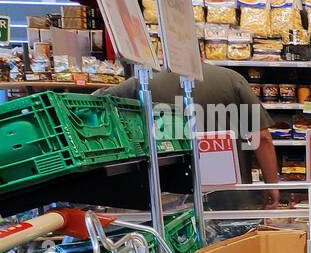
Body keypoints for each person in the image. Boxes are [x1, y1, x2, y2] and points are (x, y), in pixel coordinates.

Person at [101, 62, 280, 210]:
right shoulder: (232, 80)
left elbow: (98, 101)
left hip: (168, 196)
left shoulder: (143, 83)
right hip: (229, 195)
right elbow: (262, 138)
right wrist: (271, 186)